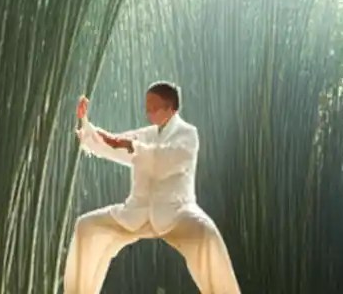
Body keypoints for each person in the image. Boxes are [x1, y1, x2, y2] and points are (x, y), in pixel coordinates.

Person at [63, 82, 241, 294]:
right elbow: (113, 144)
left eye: (154, 106)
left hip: (176, 212)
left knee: (207, 234)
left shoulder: (188, 134)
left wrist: (130, 146)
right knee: (86, 227)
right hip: (137, 212)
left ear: (171, 108)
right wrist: (85, 123)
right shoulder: (147, 135)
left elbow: (167, 158)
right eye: (147, 106)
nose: (149, 111)